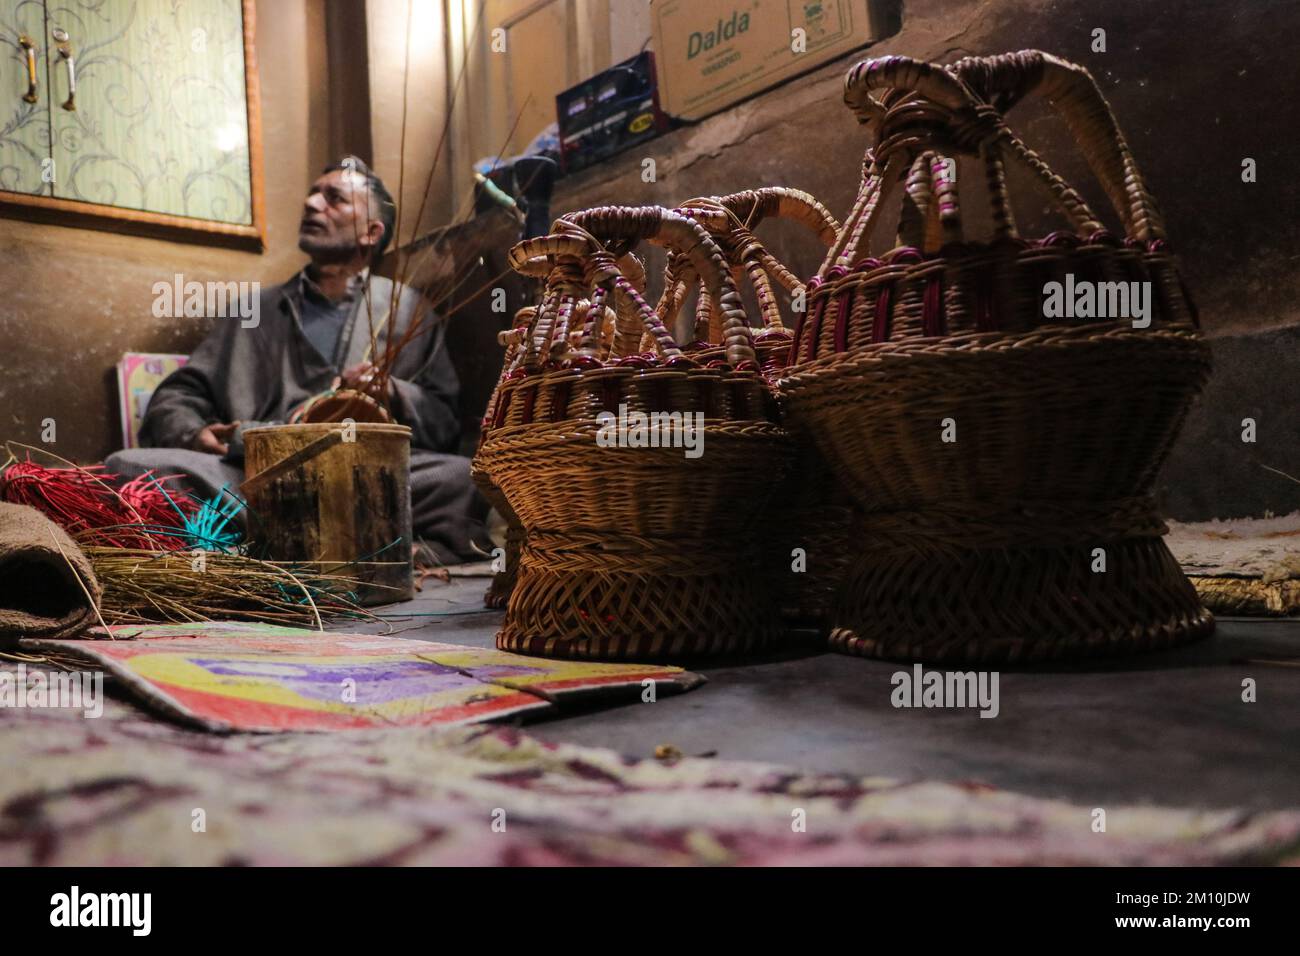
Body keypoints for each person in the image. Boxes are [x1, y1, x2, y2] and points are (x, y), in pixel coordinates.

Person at [105, 157, 490, 565]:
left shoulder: (407, 308)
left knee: (461, 479)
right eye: (311, 194)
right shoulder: (256, 310)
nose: (311, 204)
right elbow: (179, 395)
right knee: (128, 466)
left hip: (366, 483)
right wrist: (192, 433)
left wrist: (392, 392)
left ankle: (274, 549)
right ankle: (356, 547)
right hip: (257, 481)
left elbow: (445, 422)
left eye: (334, 198)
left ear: (371, 232)